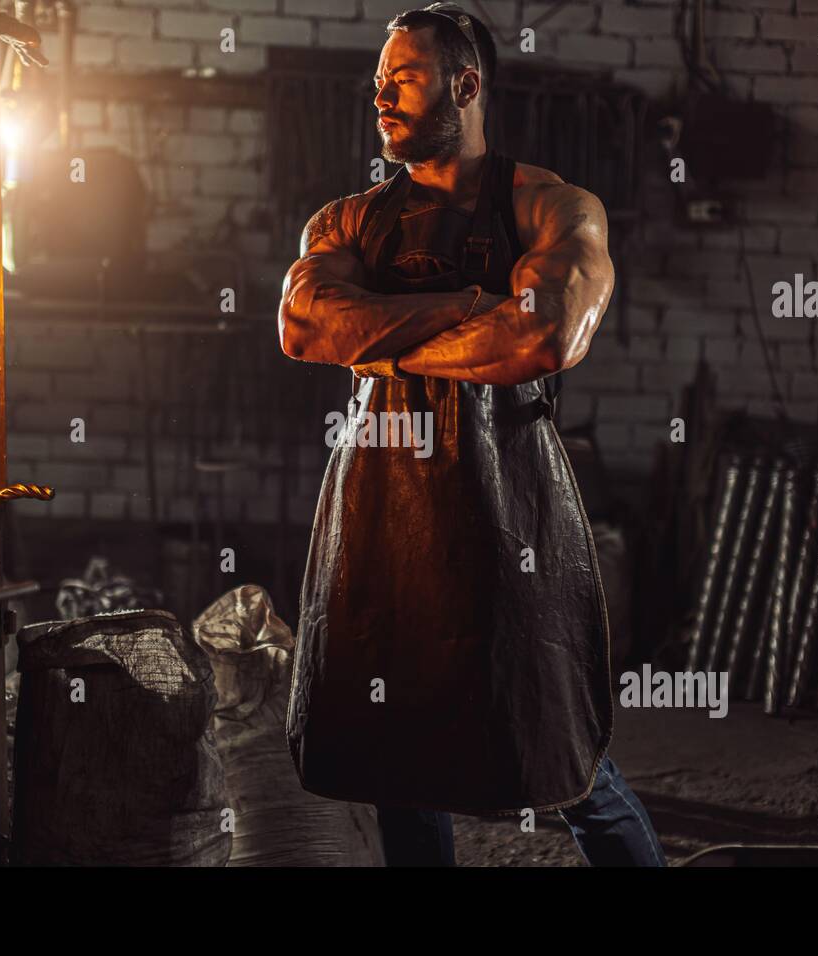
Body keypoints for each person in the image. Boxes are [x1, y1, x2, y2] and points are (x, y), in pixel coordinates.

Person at [278, 2, 665, 868]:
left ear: (466, 85)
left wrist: (381, 331)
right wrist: (466, 309)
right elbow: (304, 328)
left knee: (563, 753)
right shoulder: (345, 222)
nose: (382, 96)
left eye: (404, 79)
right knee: (401, 764)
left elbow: (540, 338)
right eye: (379, 81)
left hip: (510, 513)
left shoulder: (553, 207)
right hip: (381, 516)